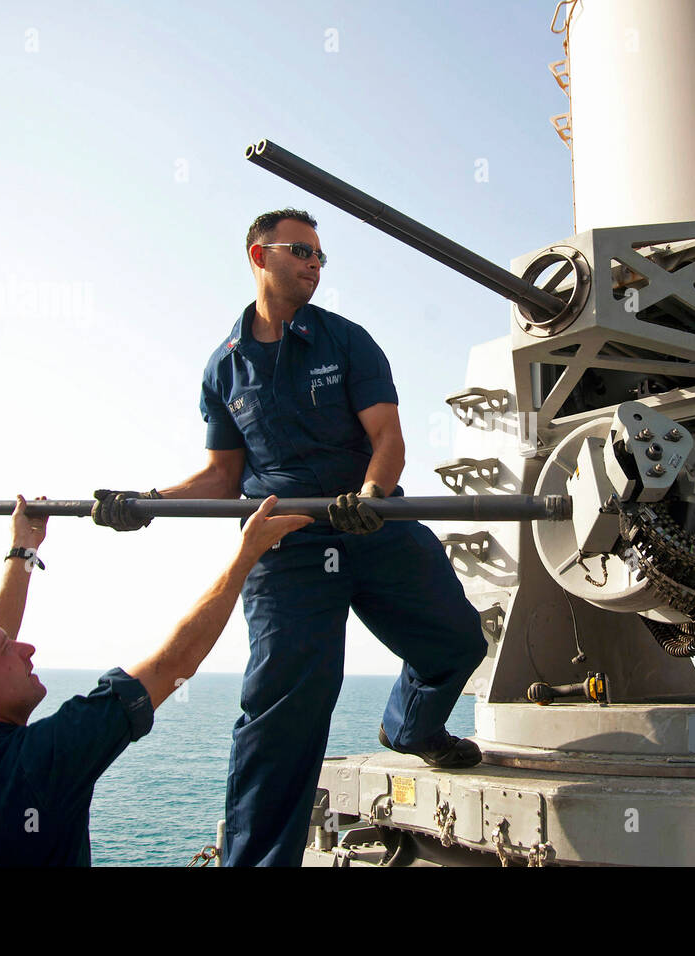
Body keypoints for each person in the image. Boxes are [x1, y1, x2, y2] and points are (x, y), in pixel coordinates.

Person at [92, 208, 488, 866]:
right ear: (259, 255)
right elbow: (223, 477)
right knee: (285, 710)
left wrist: (370, 497)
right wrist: (146, 502)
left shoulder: (346, 341)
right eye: (302, 251)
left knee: (457, 640)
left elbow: (387, 438)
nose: (315, 264)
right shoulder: (225, 369)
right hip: (287, 545)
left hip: (371, 522)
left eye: (320, 257)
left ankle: (412, 725)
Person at [0, 494, 311, 865]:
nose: (25, 648)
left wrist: (23, 551)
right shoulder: (35, 765)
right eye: (6, 650)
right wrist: (246, 554)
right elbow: (172, 664)